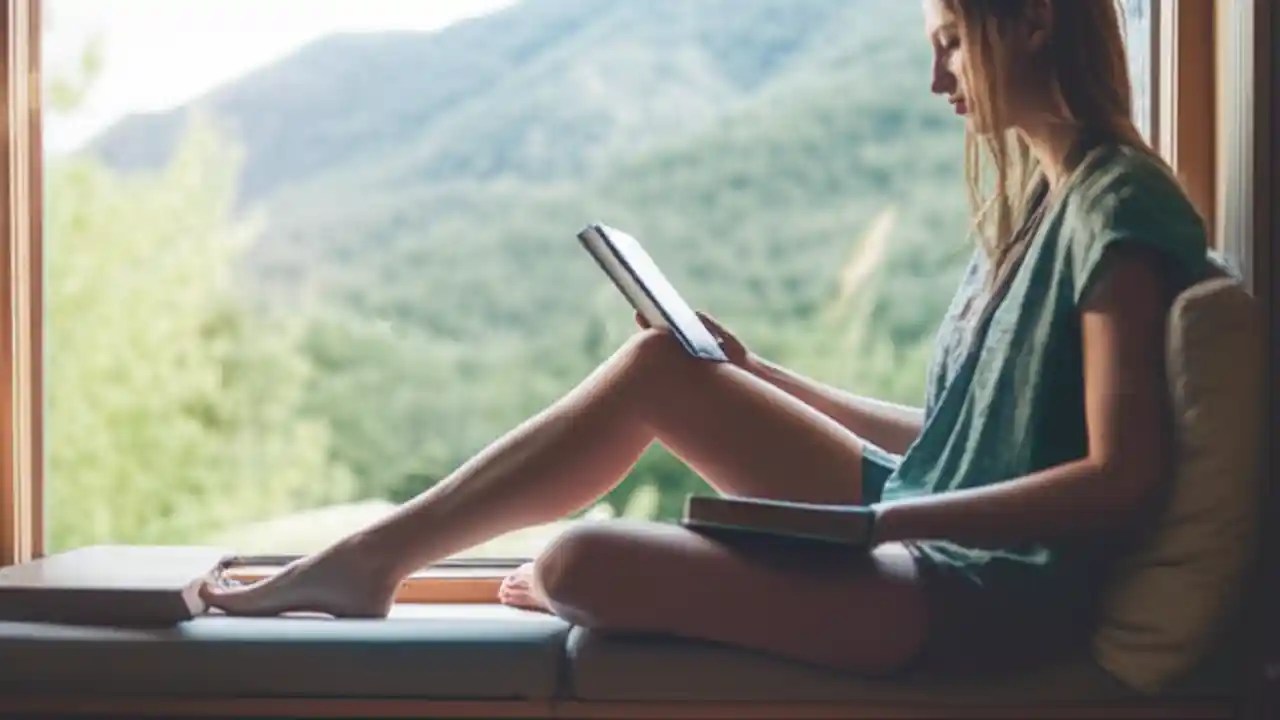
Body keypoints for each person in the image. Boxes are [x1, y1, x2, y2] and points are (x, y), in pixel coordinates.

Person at [203, 0, 1209, 676]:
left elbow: (1119, 476)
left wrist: (869, 534)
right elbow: (955, 441)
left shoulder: (1116, 208)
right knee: (665, 368)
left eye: (948, 38)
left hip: (983, 594)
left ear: (1030, 22)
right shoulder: (1044, 201)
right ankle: (367, 562)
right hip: (924, 525)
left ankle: (459, 567)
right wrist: (754, 375)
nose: (934, 73)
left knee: (577, 564)